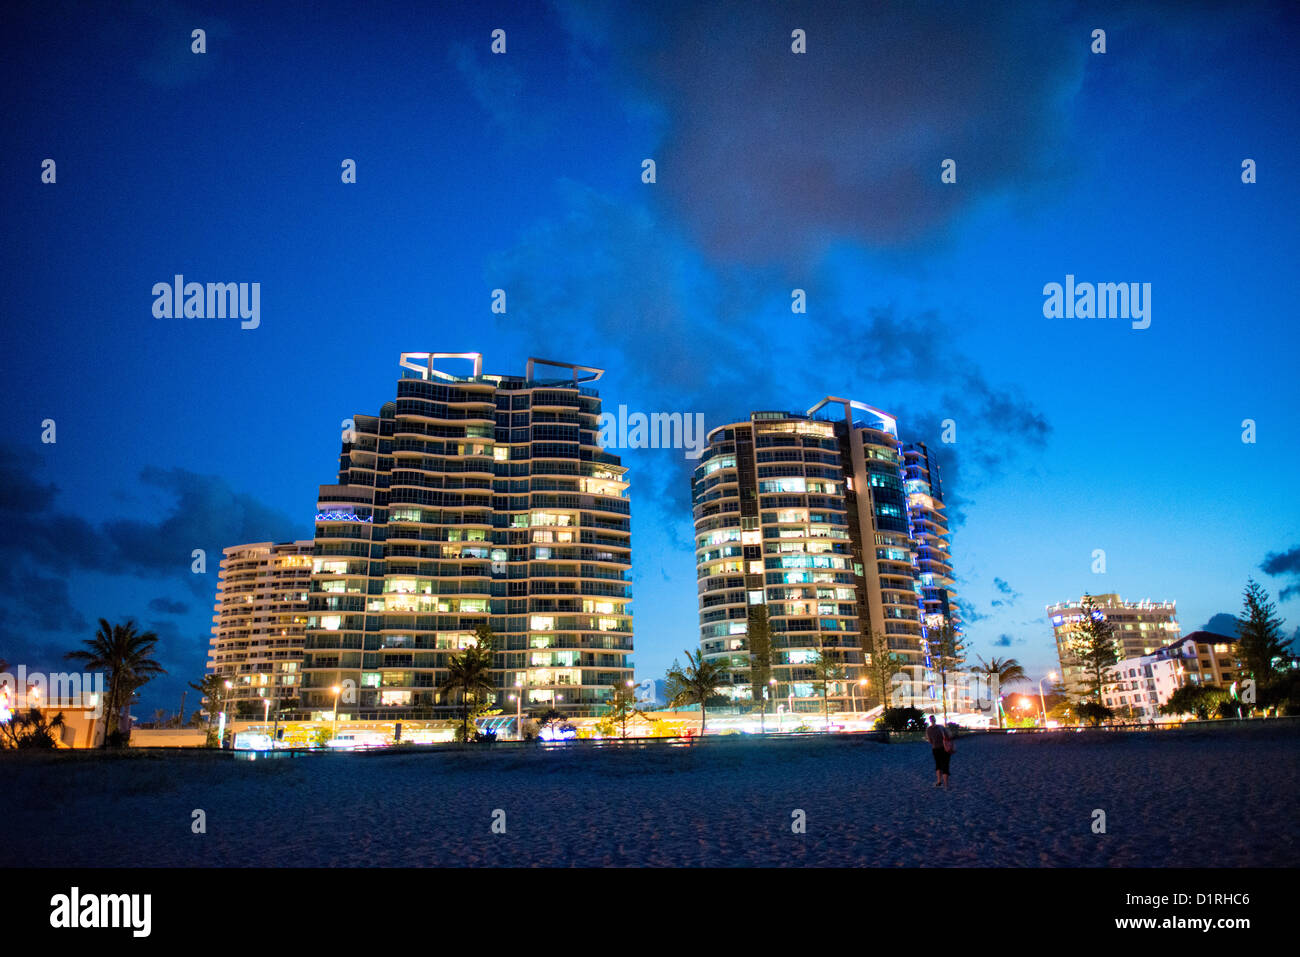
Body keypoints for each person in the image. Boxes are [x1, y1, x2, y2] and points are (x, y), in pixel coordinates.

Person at [925, 714, 953, 788]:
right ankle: (946, 785)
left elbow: (930, 740)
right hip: (944, 748)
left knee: (938, 765)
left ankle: (939, 781)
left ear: (930, 721)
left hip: (935, 748)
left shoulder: (928, 729)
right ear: (935, 719)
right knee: (945, 765)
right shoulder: (941, 727)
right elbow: (949, 736)